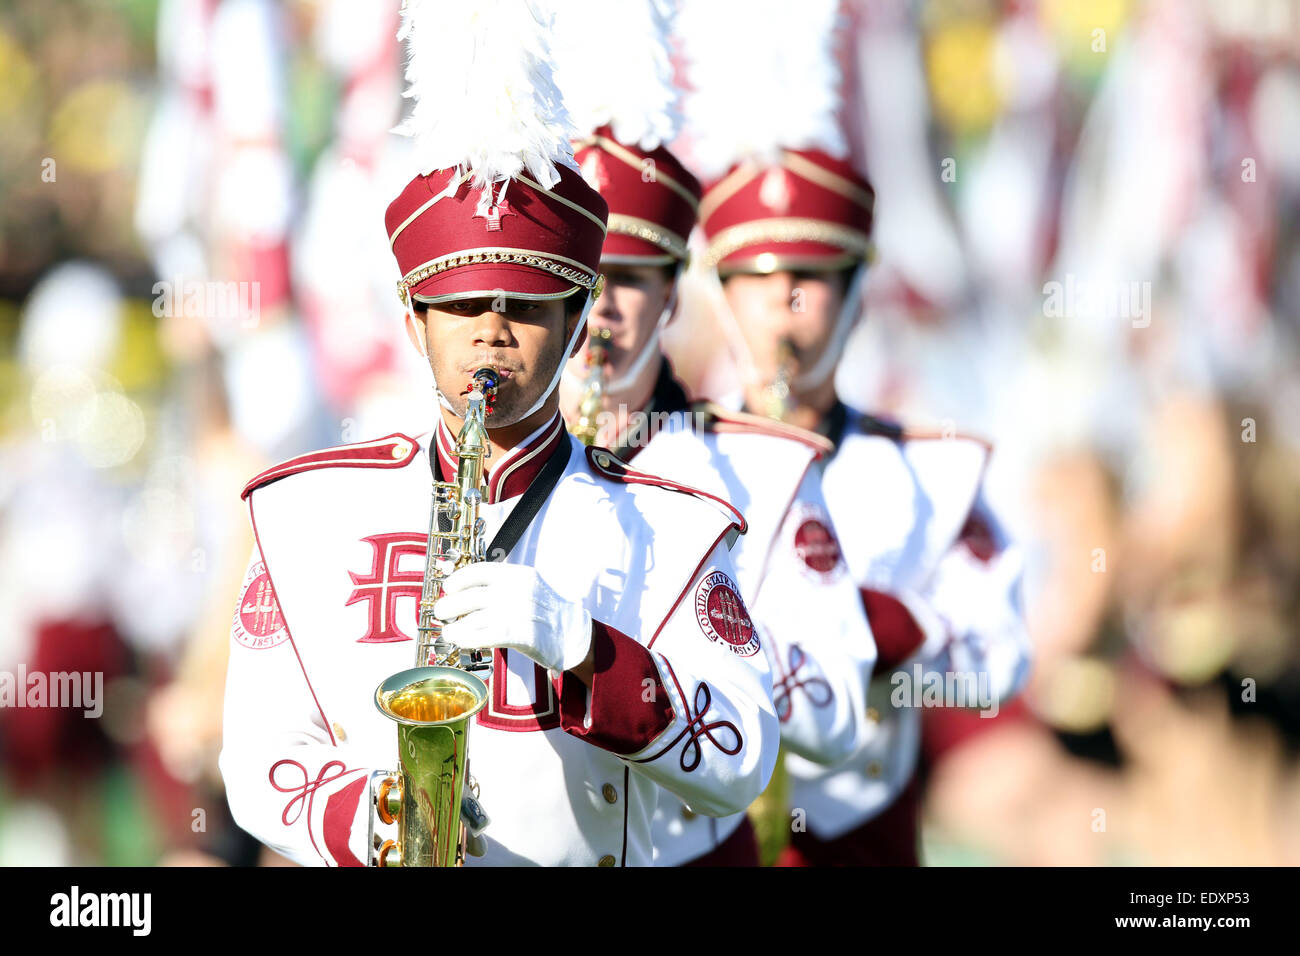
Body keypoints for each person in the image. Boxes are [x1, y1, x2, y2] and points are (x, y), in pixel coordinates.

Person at [218, 0, 778, 867]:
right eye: (463, 308)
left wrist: (588, 647)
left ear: (578, 323)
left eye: (523, 309)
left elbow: (743, 757)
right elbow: (258, 754)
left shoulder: (678, 529)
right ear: (414, 323)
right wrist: (374, 816)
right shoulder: (308, 514)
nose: (490, 332)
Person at [678, 0, 1032, 864]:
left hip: (864, 841)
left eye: (812, 277)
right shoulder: (669, 458)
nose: (785, 306)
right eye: (758, 279)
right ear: (719, 287)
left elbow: (996, 663)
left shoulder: (925, 472)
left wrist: (868, 628)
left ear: (857, 289)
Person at [547, 0, 875, 867]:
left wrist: (710, 660)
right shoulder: (492, 467)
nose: (602, 310)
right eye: (580, 277)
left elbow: (840, 707)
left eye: (630, 279)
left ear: (671, 295)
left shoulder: (760, 470)